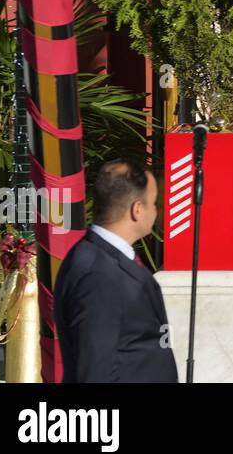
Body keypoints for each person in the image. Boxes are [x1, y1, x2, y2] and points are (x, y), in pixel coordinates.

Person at [53, 159, 178, 382]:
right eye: (153, 203)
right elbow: (95, 370)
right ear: (137, 209)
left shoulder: (108, 259)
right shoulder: (98, 274)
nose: (156, 210)